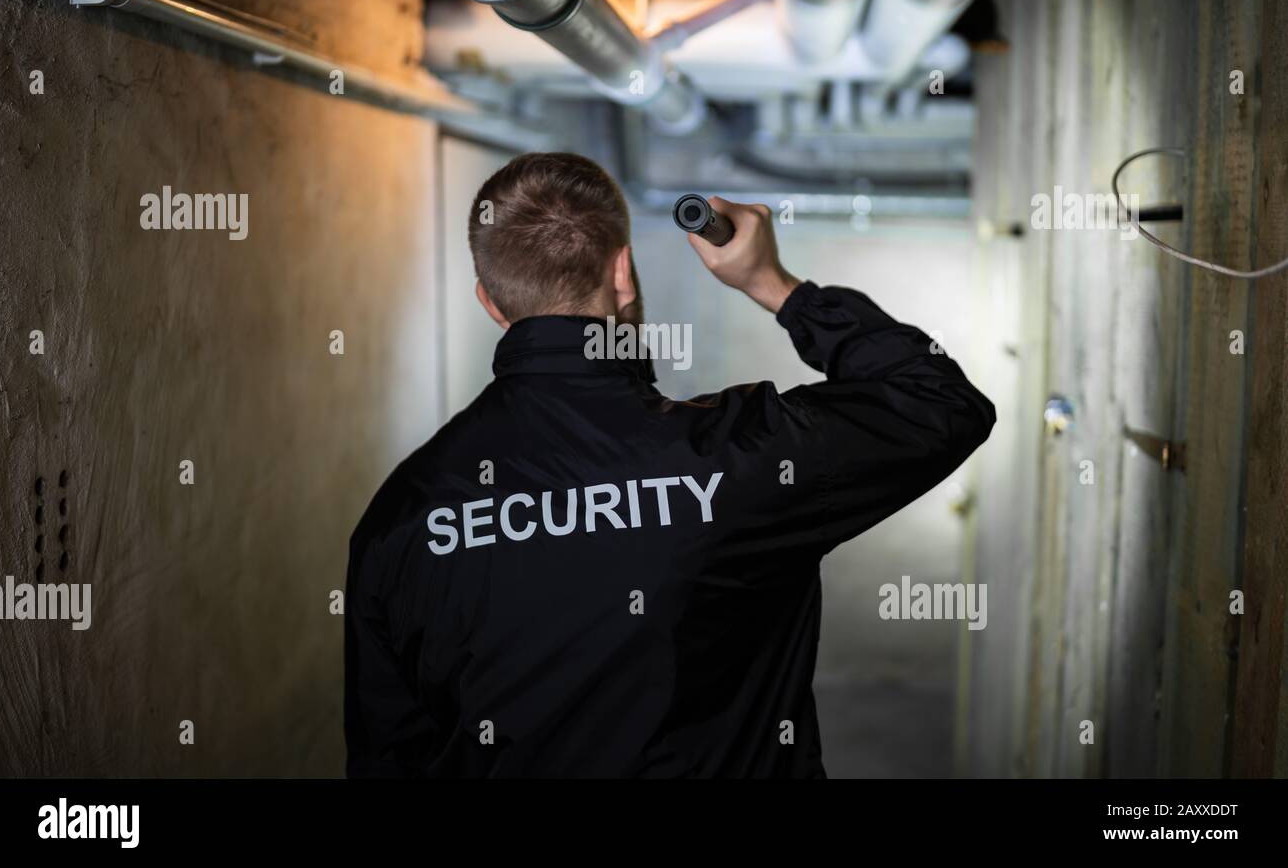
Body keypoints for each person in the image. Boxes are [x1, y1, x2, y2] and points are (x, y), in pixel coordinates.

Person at [345, 152, 995, 777]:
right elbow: (941, 403)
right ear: (623, 273)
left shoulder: (402, 515)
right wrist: (774, 284)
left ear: (491, 301)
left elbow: (390, 755)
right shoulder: (740, 459)